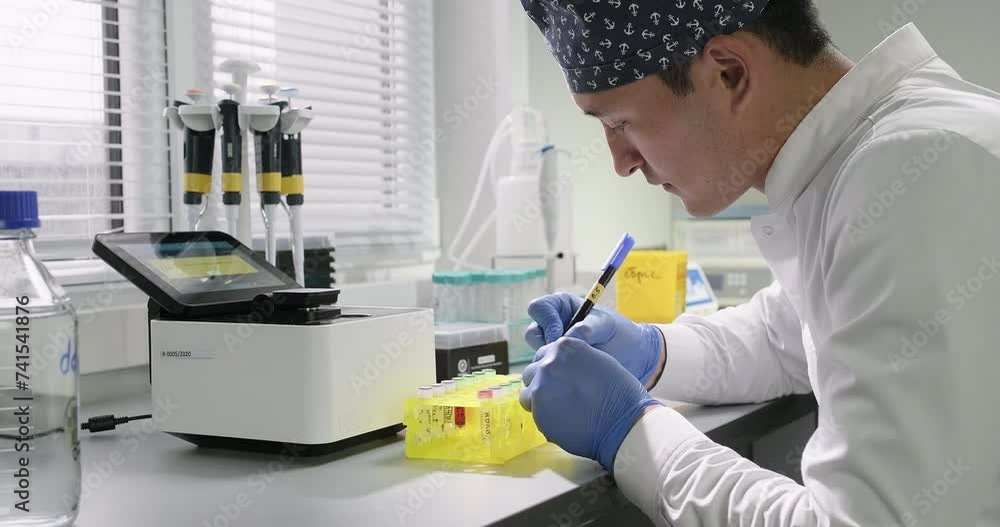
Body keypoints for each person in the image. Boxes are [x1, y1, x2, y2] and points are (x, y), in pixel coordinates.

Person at [518, 0, 1000, 525]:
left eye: (621, 123)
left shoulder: (914, 175)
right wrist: (654, 352)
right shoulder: (873, 158)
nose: (620, 162)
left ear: (729, 74)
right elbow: (789, 336)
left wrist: (630, 432)